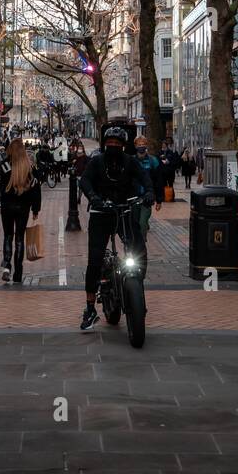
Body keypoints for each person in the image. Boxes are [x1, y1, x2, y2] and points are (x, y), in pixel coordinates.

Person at [77, 125, 154, 332]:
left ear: (123, 146)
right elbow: (84, 180)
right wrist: (93, 197)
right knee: (94, 260)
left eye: (117, 144)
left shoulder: (130, 162)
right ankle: (90, 308)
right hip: (101, 214)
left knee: (138, 248)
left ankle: (136, 286)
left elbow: (145, 179)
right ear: (104, 145)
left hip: (124, 212)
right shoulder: (96, 162)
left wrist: (148, 192)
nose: (113, 146)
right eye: (110, 143)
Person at [0, 139, 42, 284]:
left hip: (7, 205)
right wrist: (35, 208)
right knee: (19, 238)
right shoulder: (30, 167)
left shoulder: (2, 166)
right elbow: (36, 189)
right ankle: (18, 273)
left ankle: (7, 265)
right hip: (23, 207)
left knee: (8, 235)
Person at [134, 136, 165, 235]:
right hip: (133, 198)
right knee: (133, 224)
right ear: (135, 146)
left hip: (147, 198)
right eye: (139, 144)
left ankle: (141, 245)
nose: (141, 146)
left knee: (142, 223)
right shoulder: (131, 161)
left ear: (146, 145)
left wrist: (159, 200)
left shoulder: (153, 161)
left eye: (143, 144)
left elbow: (159, 181)